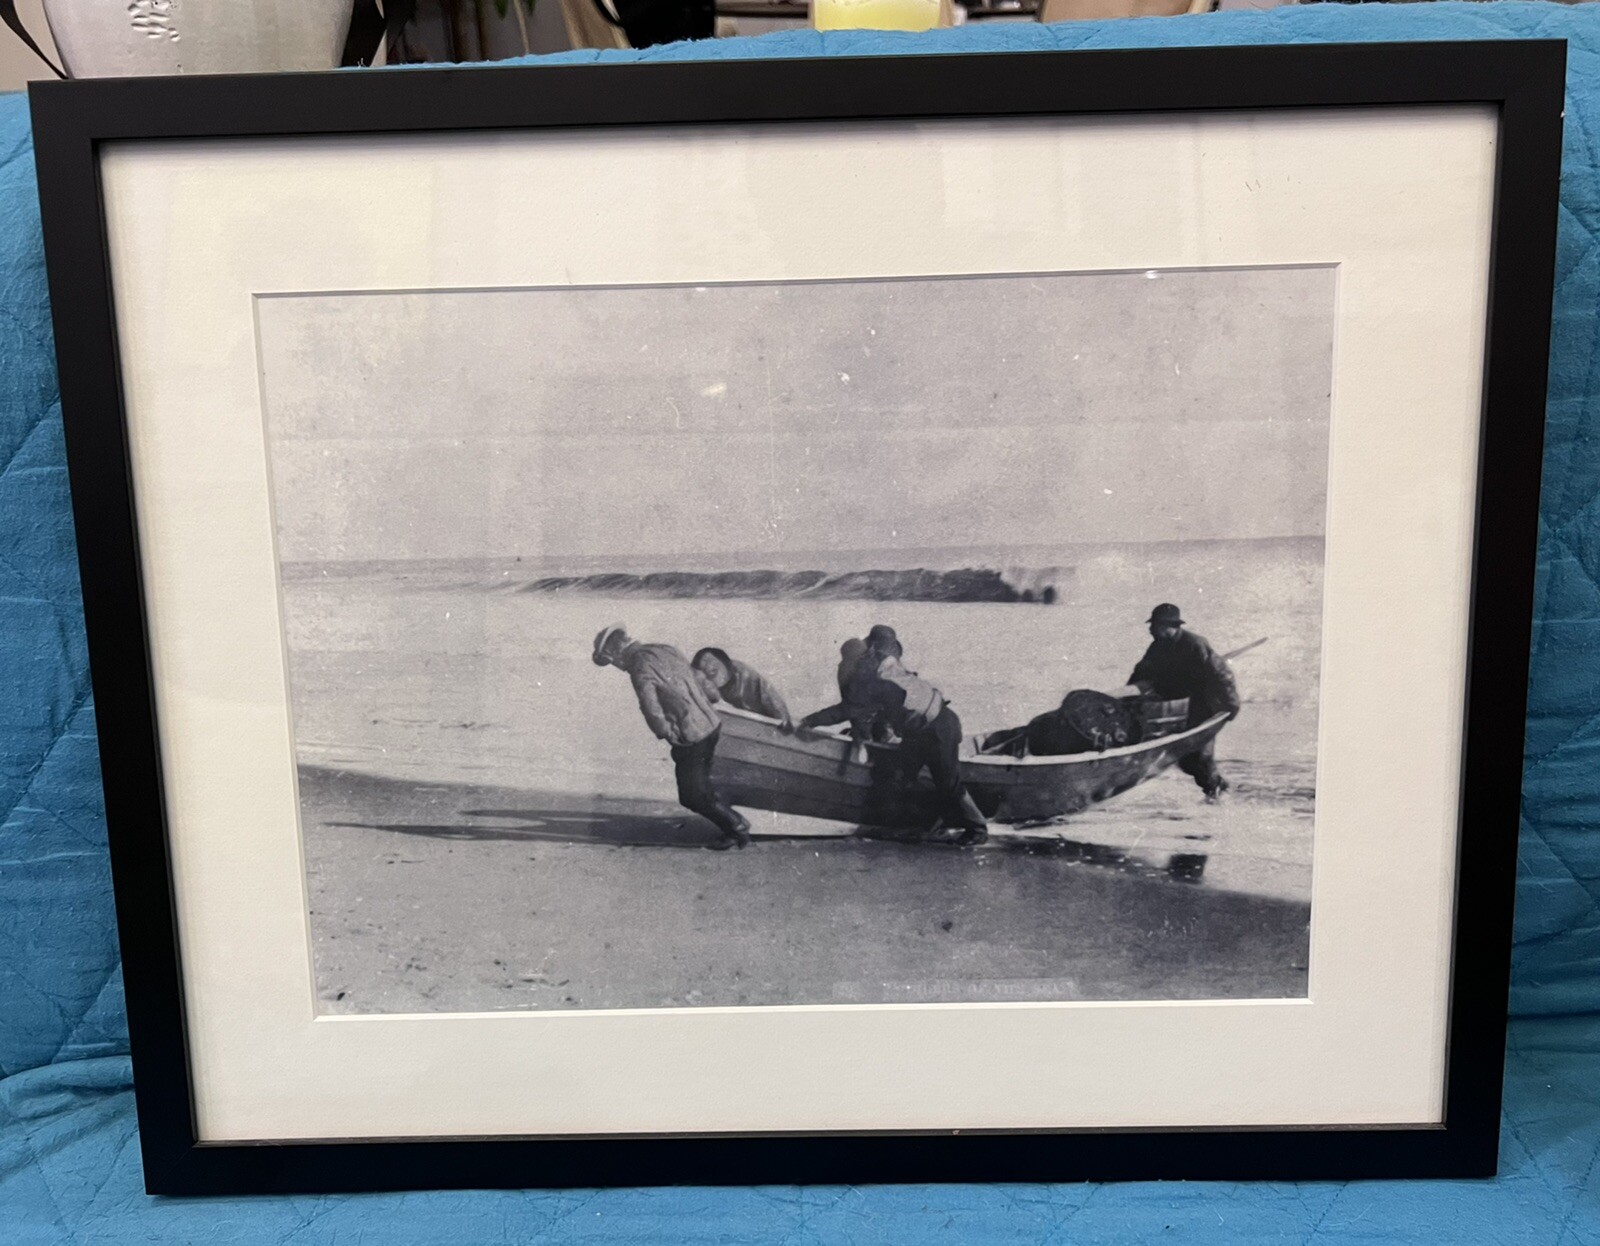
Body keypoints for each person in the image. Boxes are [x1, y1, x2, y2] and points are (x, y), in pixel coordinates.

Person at [799, 624, 988, 845]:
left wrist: (806, 722)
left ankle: (978, 829)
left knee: (948, 783)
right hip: (917, 732)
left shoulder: (876, 681)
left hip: (940, 728)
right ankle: (921, 823)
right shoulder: (888, 664)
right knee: (899, 776)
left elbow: (846, 710)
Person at [593, 623, 751, 850]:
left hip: (691, 736)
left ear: (616, 653)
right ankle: (731, 826)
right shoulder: (665, 648)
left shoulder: (639, 666)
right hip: (711, 724)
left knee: (690, 796)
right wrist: (710, 700)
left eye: (611, 661)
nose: (616, 667)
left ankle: (737, 826)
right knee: (701, 785)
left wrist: (667, 733)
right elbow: (696, 677)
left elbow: (651, 708)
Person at [1125, 603, 1240, 799]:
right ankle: (1217, 790)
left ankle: (1218, 794)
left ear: (1171, 626)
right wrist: (1127, 699)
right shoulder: (1158, 646)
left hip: (1203, 703)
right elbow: (1141, 673)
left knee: (1200, 757)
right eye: (1152, 625)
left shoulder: (1195, 644)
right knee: (1185, 760)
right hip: (1178, 704)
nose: (1151, 630)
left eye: (1156, 625)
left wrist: (1231, 705)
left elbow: (1222, 675)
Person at [691, 647, 792, 727]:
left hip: (759, 722)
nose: (707, 665)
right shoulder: (697, 679)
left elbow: (770, 696)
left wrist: (783, 718)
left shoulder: (745, 674)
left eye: (712, 671)